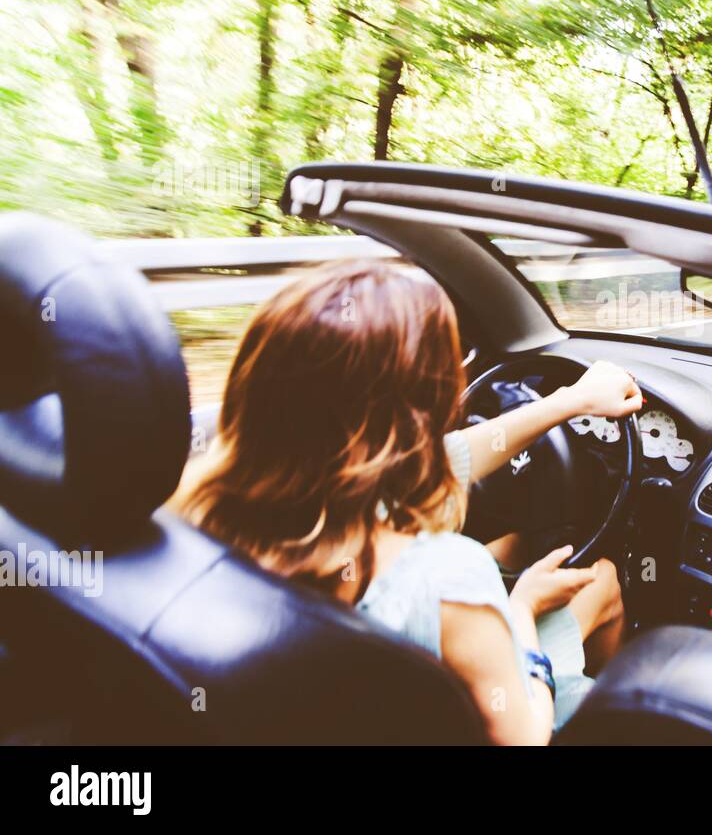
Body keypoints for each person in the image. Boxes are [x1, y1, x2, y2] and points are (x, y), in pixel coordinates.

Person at [174, 259, 643, 744]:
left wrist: (569, 402)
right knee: (603, 581)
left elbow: (443, 461)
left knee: (513, 547)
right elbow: (520, 738)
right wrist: (522, 610)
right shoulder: (447, 579)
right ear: (426, 407)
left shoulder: (196, 511)